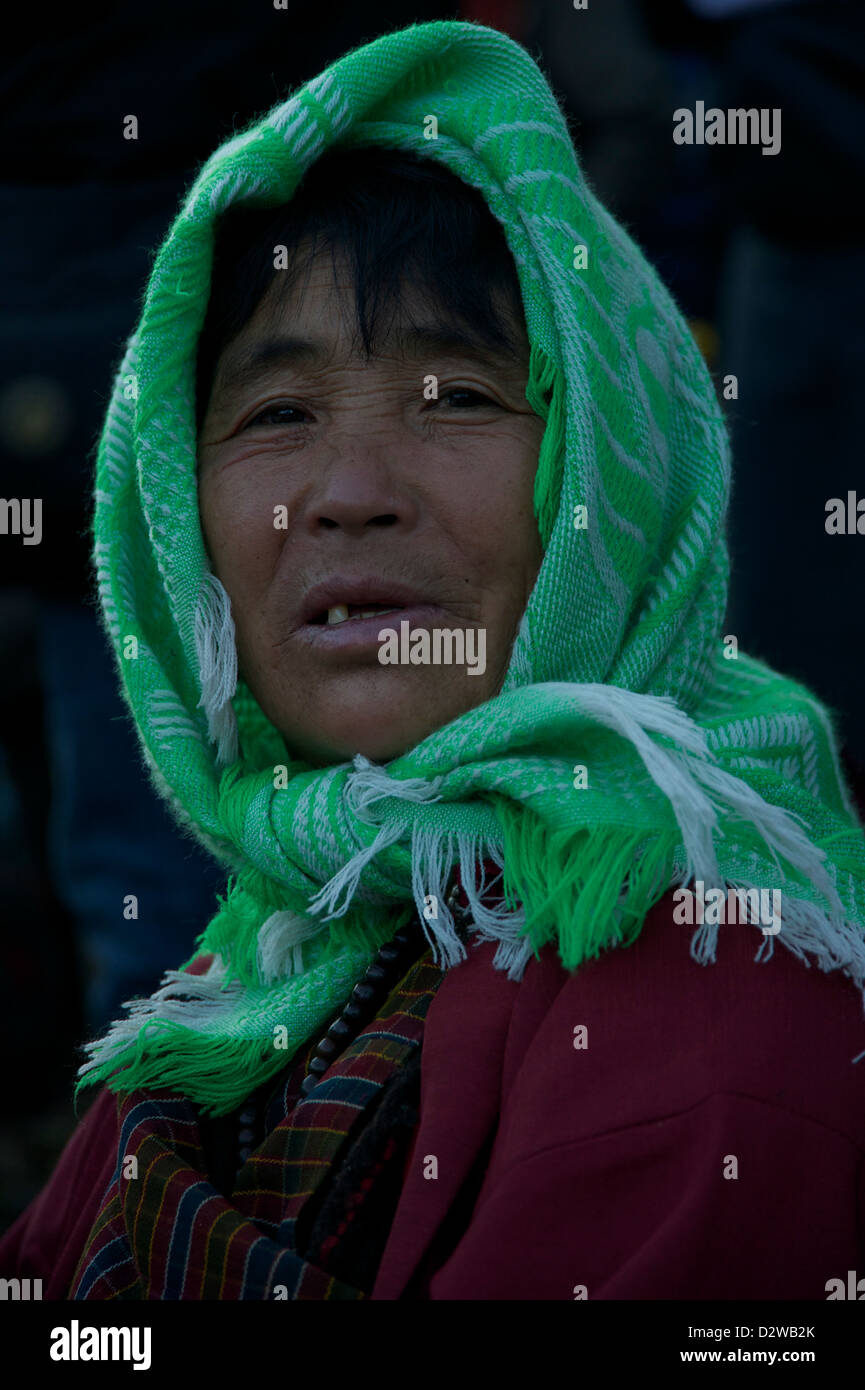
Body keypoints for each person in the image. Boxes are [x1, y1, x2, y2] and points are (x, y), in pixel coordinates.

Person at [2, 18, 865, 1301]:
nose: (348, 493)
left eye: (458, 397)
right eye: (277, 414)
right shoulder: (270, 943)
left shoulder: (718, 993)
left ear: (613, 476)